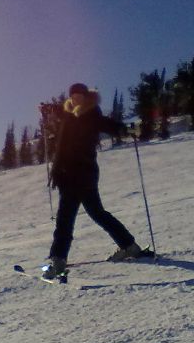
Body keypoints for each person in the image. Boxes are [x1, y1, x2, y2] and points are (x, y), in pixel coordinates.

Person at [43, 83, 152, 279]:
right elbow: (62, 117)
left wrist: (125, 129)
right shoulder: (70, 115)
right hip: (70, 174)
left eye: (80, 96)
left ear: (86, 98)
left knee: (65, 217)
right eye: (73, 96)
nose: (76, 99)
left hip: (81, 174)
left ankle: (58, 260)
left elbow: (108, 124)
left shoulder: (91, 115)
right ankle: (129, 246)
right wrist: (49, 109)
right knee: (97, 213)